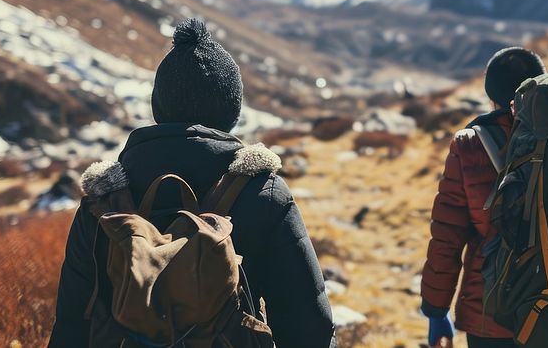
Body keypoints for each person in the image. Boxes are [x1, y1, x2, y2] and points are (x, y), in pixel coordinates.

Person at [48, 18, 336, 348]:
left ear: (158, 106)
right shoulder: (262, 193)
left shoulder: (105, 200)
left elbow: (72, 323)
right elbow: (306, 323)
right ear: (234, 110)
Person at [420, 47, 547, 348]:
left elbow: (447, 236)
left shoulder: (471, 145)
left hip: (492, 311)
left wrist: (436, 311)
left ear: (491, 96)